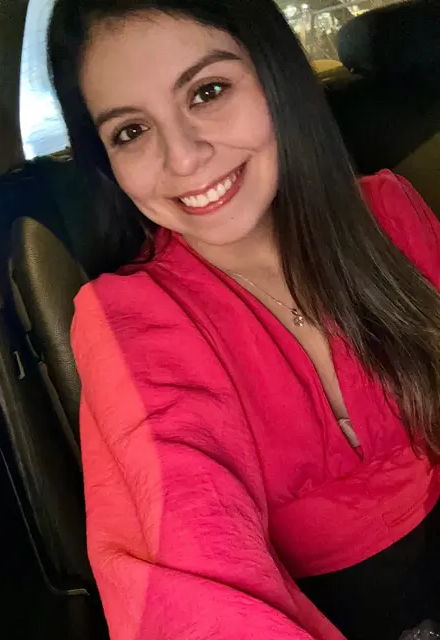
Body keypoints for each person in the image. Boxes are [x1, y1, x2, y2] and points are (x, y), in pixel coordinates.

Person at [47, 1, 440, 638]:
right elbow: (191, 571)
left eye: (208, 91)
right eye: (131, 131)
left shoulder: (389, 214)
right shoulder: (132, 324)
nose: (183, 158)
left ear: (275, 77)